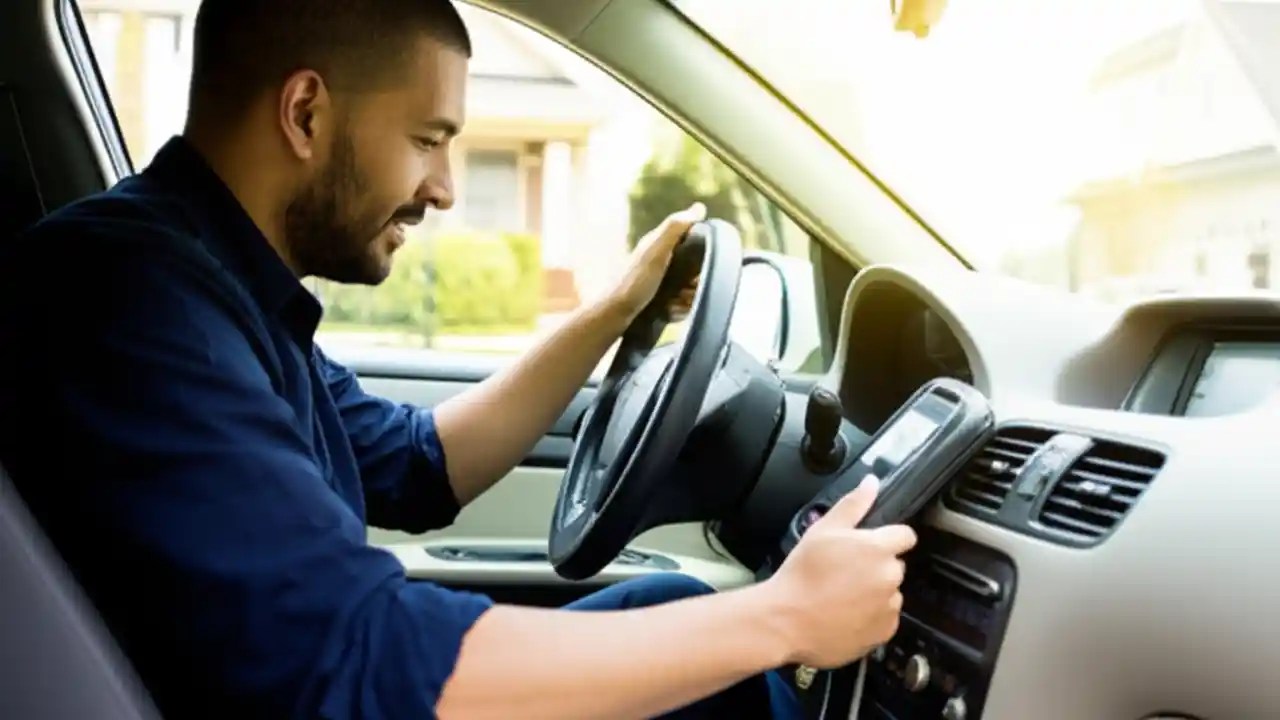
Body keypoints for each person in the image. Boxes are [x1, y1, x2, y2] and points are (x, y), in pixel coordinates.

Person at [0, 0, 917, 718]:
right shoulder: (132, 299)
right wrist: (783, 617)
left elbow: (416, 466)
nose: (442, 187)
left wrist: (613, 313)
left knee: (661, 604)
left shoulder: (222, 286)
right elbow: (360, 661)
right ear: (306, 111)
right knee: (717, 669)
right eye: (428, 140)